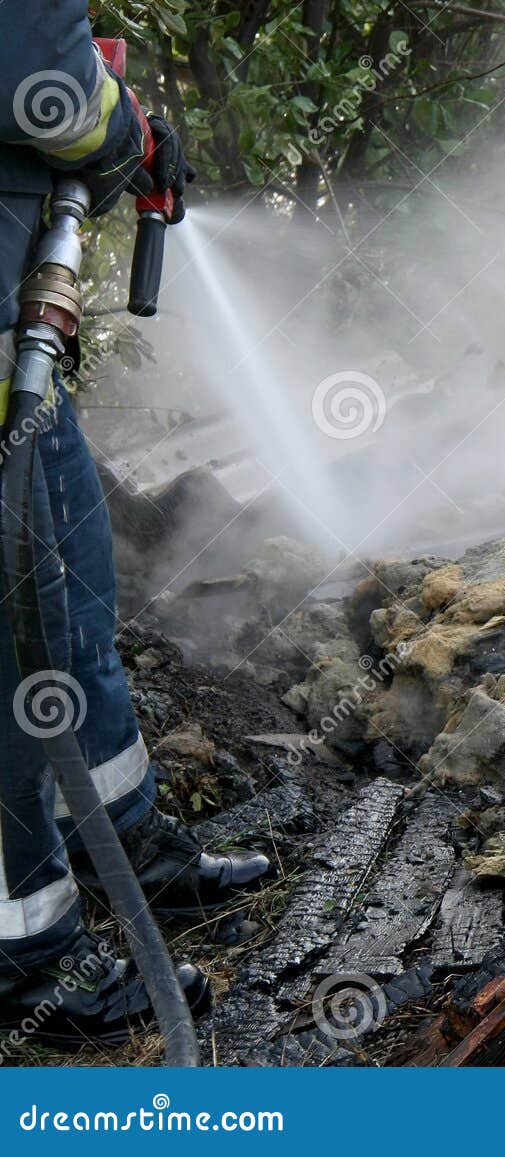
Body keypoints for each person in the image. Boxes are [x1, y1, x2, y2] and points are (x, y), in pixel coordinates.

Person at [0, 1, 269, 1047]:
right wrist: (128, 131)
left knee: (67, 585)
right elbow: (40, 79)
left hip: (13, 335)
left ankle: (121, 843)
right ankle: (26, 957)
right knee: (12, 641)